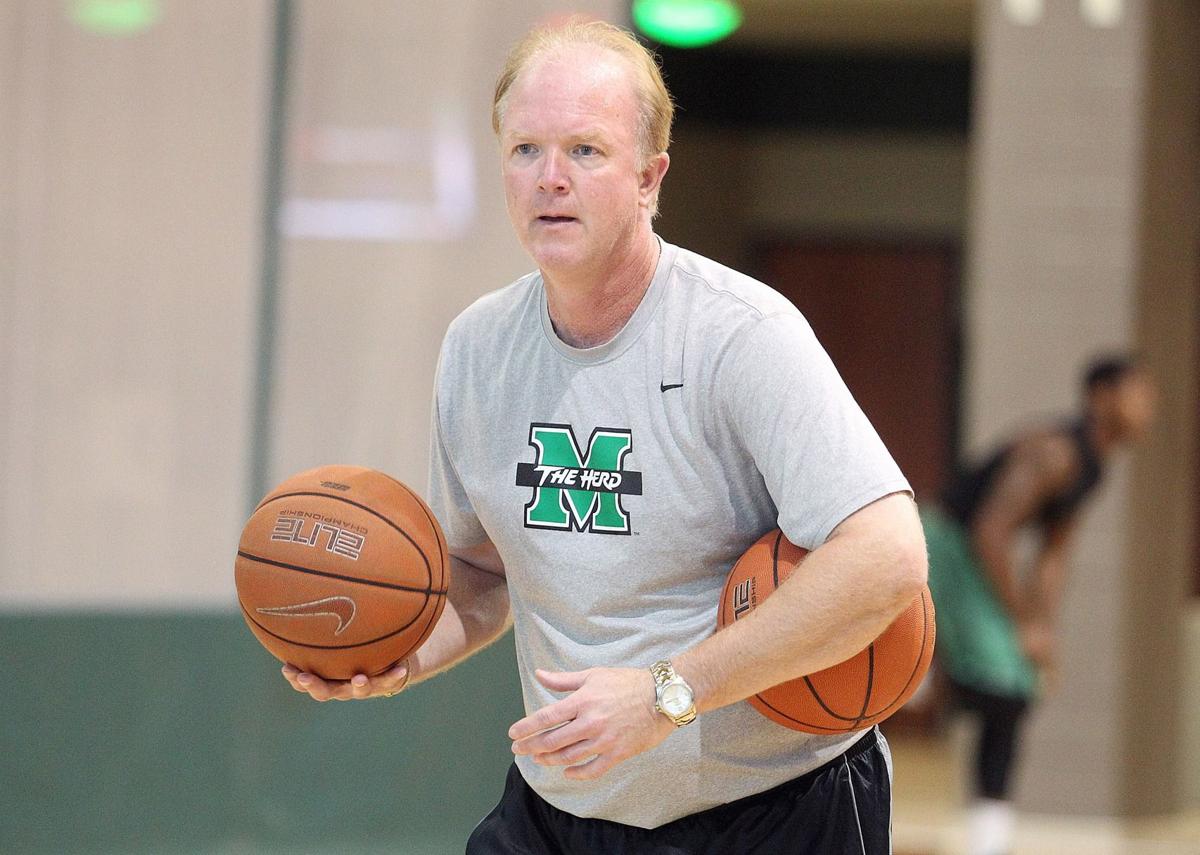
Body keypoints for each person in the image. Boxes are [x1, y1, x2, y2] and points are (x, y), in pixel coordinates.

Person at [282, 19, 927, 854]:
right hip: (564, 806)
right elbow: (479, 569)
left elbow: (888, 556)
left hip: (772, 809)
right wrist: (395, 652)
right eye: (525, 150)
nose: (550, 178)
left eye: (585, 151)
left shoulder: (741, 335)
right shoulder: (478, 348)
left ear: (650, 178)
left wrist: (668, 692)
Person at [923, 355, 1157, 855]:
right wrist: (1022, 621)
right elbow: (990, 532)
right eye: (1137, 391)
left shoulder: (1094, 466)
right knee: (1005, 686)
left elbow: (1053, 554)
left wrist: (1044, 631)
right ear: (1101, 396)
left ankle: (988, 831)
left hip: (973, 550)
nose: (1148, 405)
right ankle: (926, 679)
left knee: (1019, 683)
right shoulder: (1056, 452)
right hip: (942, 542)